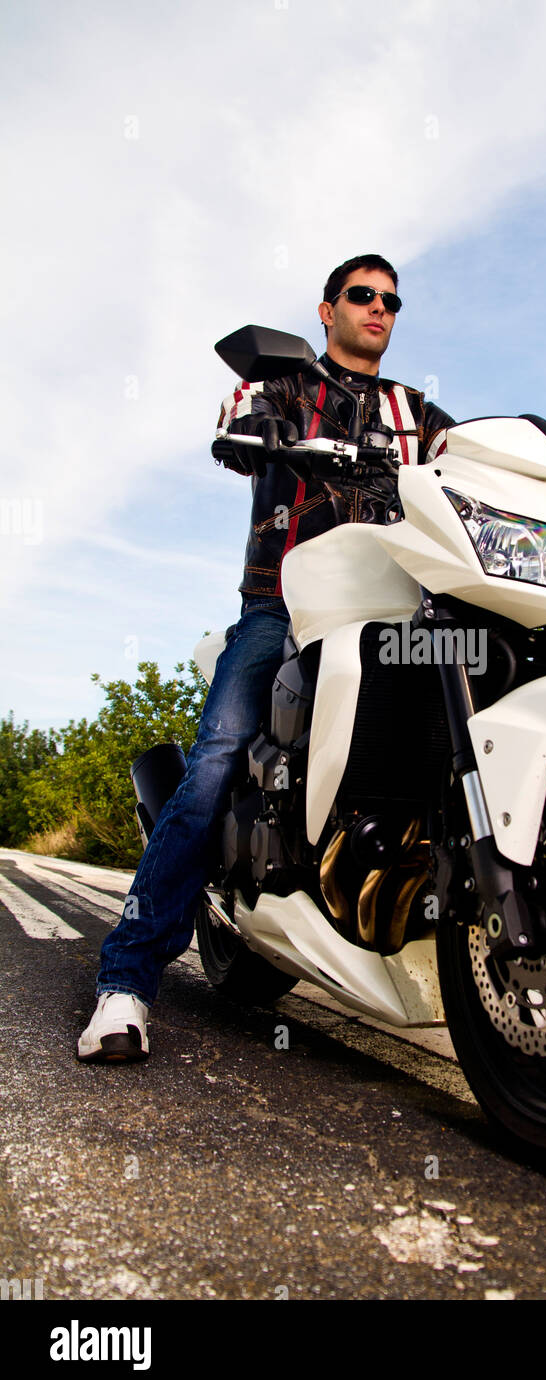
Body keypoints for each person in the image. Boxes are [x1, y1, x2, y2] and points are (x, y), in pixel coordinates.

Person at [77, 253, 455, 1062]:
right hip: (285, 602)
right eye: (362, 296)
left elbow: (471, 463)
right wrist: (257, 429)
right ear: (328, 310)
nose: (379, 309)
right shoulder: (288, 385)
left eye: (391, 300)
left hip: (394, 605)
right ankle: (125, 984)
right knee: (215, 763)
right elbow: (237, 418)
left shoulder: (416, 411)